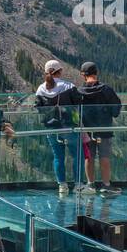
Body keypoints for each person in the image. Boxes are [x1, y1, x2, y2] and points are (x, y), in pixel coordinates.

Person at [74, 61, 123, 195]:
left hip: (86, 131)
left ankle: (90, 185)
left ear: (83, 75)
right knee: (104, 156)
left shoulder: (79, 91)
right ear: (96, 73)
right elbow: (116, 110)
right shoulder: (106, 90)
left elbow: (74, 112)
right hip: (104, 129)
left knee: (88, 157)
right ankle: (106, 185)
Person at [35, 60, 80, 198]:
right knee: (76, 155)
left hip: (51, 128)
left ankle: (62, 185)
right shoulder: (68, 86)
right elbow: (78, 103)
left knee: (58, 156)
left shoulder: (41, 89)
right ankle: (78, 185)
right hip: (69, 127)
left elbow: (38, 109)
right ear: (59, 71)